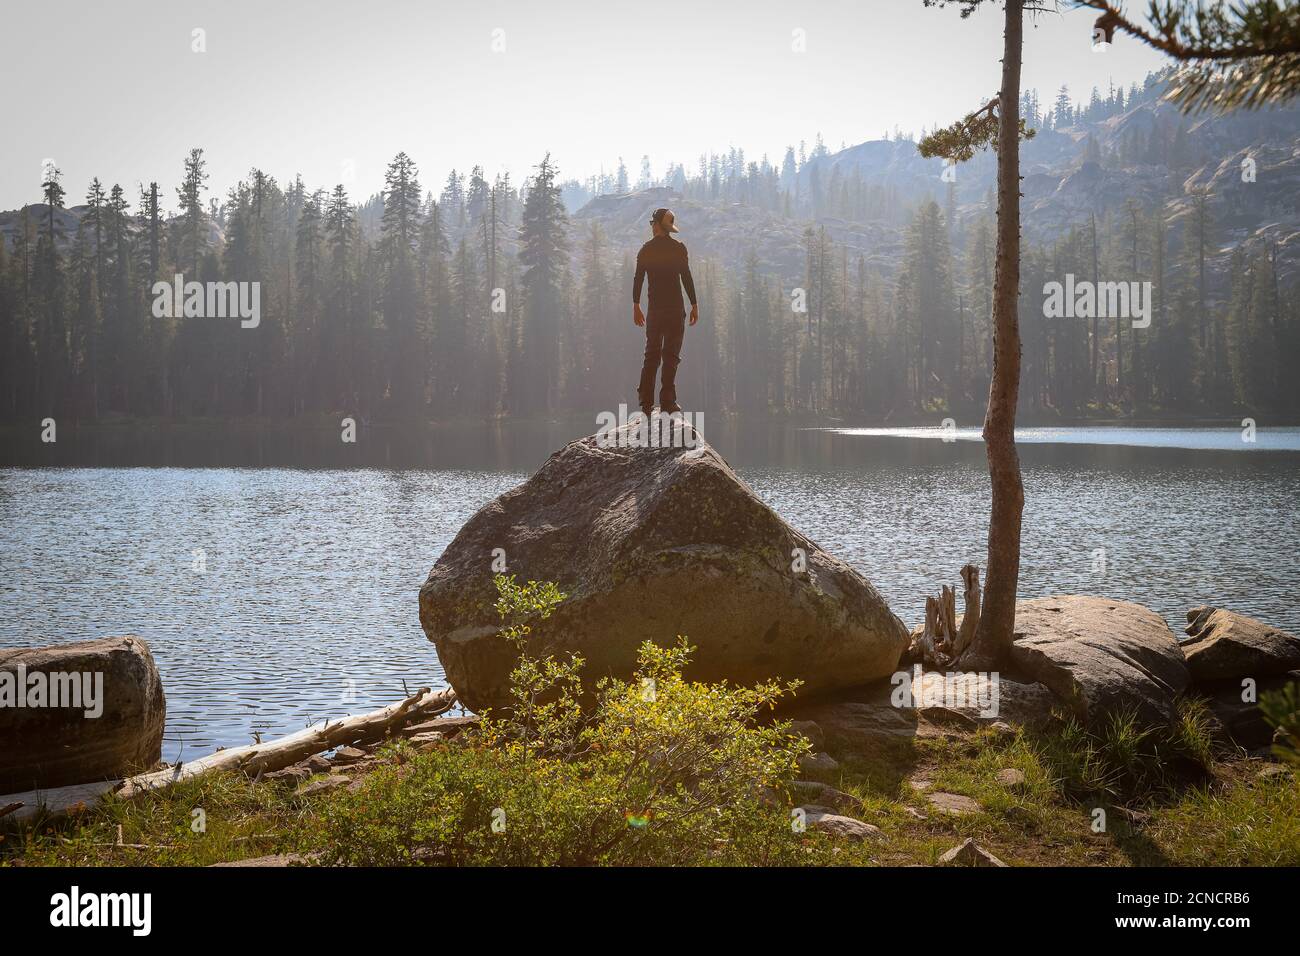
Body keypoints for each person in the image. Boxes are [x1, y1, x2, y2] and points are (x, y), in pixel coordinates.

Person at [632, 207, 698, 416]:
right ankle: (668, 402)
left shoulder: (646, 249)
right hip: (675, 310)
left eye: (653, 223)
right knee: (671, 356)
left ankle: (646, 403)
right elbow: (686, 277)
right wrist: (694, 304)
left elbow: (638, 278)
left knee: (651, 355)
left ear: (659, 224)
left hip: (655, 312)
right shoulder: (679, 248)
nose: (651, 226)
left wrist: (636, 305)